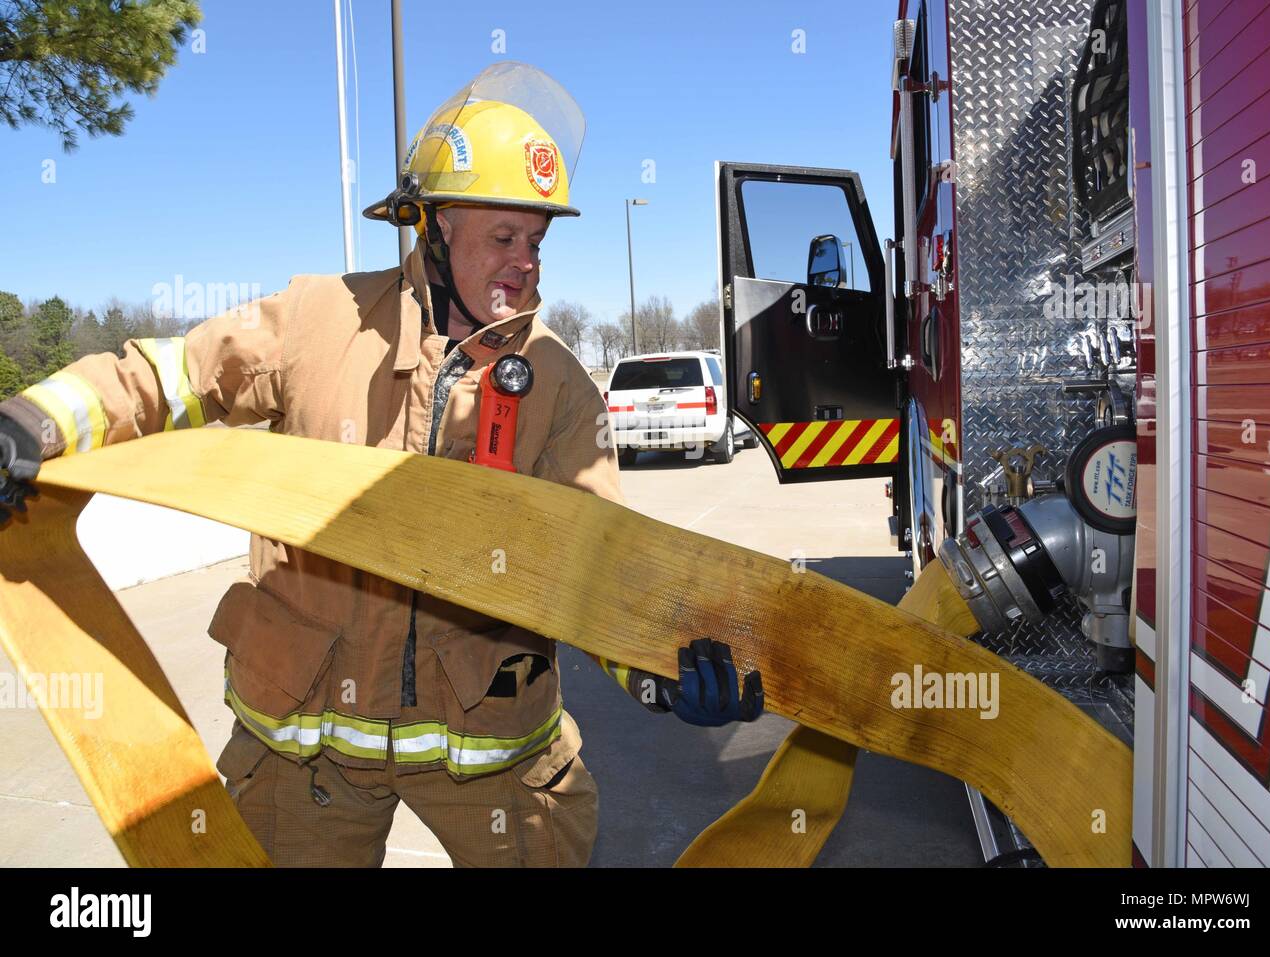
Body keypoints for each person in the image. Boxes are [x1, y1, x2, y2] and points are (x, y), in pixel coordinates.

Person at [0, 62, 761, 867]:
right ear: (431, 230)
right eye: (504, 237)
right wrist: (35, 419)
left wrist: (660, 672)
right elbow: (165, 377)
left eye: (536, 241)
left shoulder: (559, 381)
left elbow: (602, 559)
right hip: (307, 752)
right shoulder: (317, 321)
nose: (527, 263)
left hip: (491, 749)